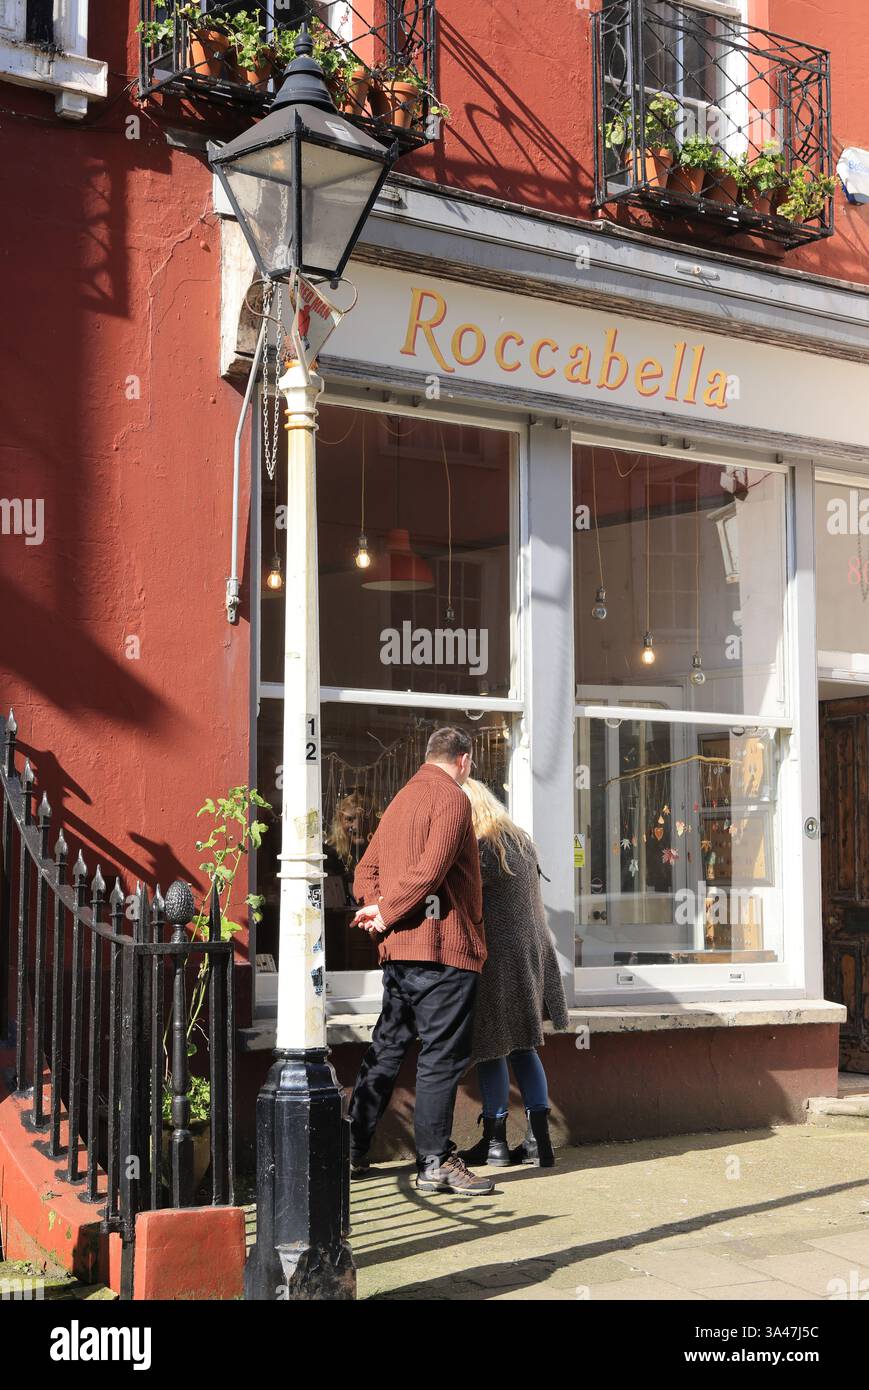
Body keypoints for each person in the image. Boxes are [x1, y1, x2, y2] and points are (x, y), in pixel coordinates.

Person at [347, 727, 494, 1196]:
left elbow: (364, 871)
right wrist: (387, 909)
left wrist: (376, 907)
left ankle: (351, 1149)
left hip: (399, 953)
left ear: (428, 756)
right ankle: (434, 1162)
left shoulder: (399, 801)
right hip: (443, 949)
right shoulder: (453, 799)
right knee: (440, 1057)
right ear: (464, 761)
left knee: (388, 1047)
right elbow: (430, 872)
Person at [459, 778, 569, 1169]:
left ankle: (495, 1144)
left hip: (498, 959)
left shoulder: (480, 849)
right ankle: (540, 1144)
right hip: (533, 955)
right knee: (524, 1045)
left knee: (491, 1047)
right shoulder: (520, 841)